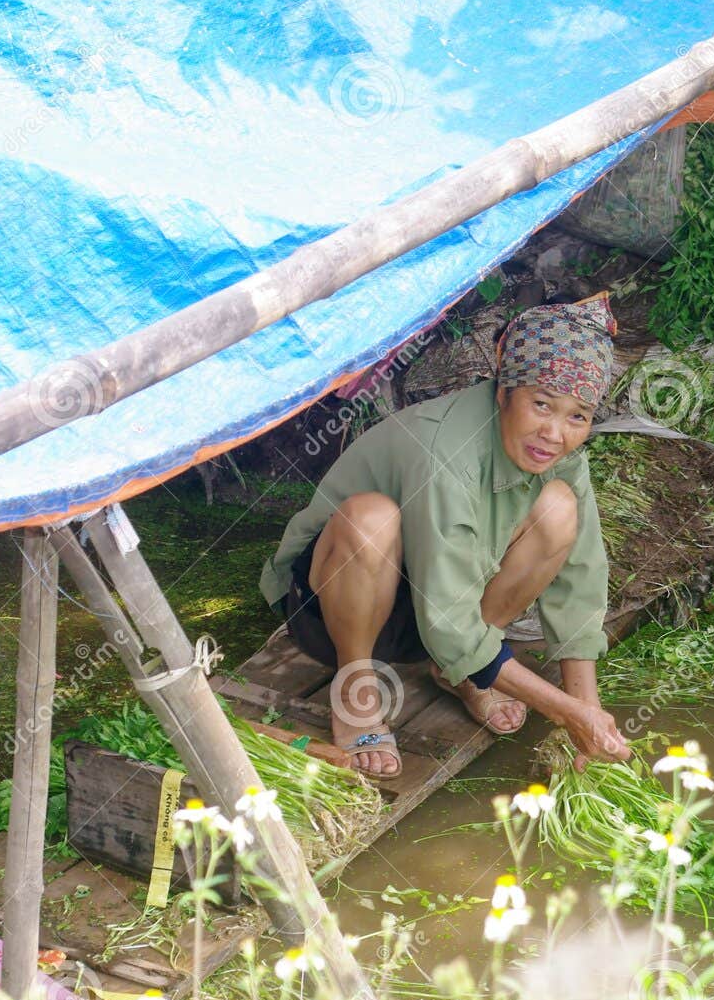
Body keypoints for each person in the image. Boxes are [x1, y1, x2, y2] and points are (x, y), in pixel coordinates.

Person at [258, 293, 632, 778]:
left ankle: (463, 673)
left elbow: (582, 576)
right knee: (372, 518)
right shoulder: (445, 449)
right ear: (503, 394)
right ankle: (357, 690)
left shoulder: (560, 457)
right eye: (542, 405)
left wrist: (588, 711)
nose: (554, 433)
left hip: (437, 612)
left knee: (560, 509)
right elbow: (445, 620)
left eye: (576, 416)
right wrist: (563, 711)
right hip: (331, 606)